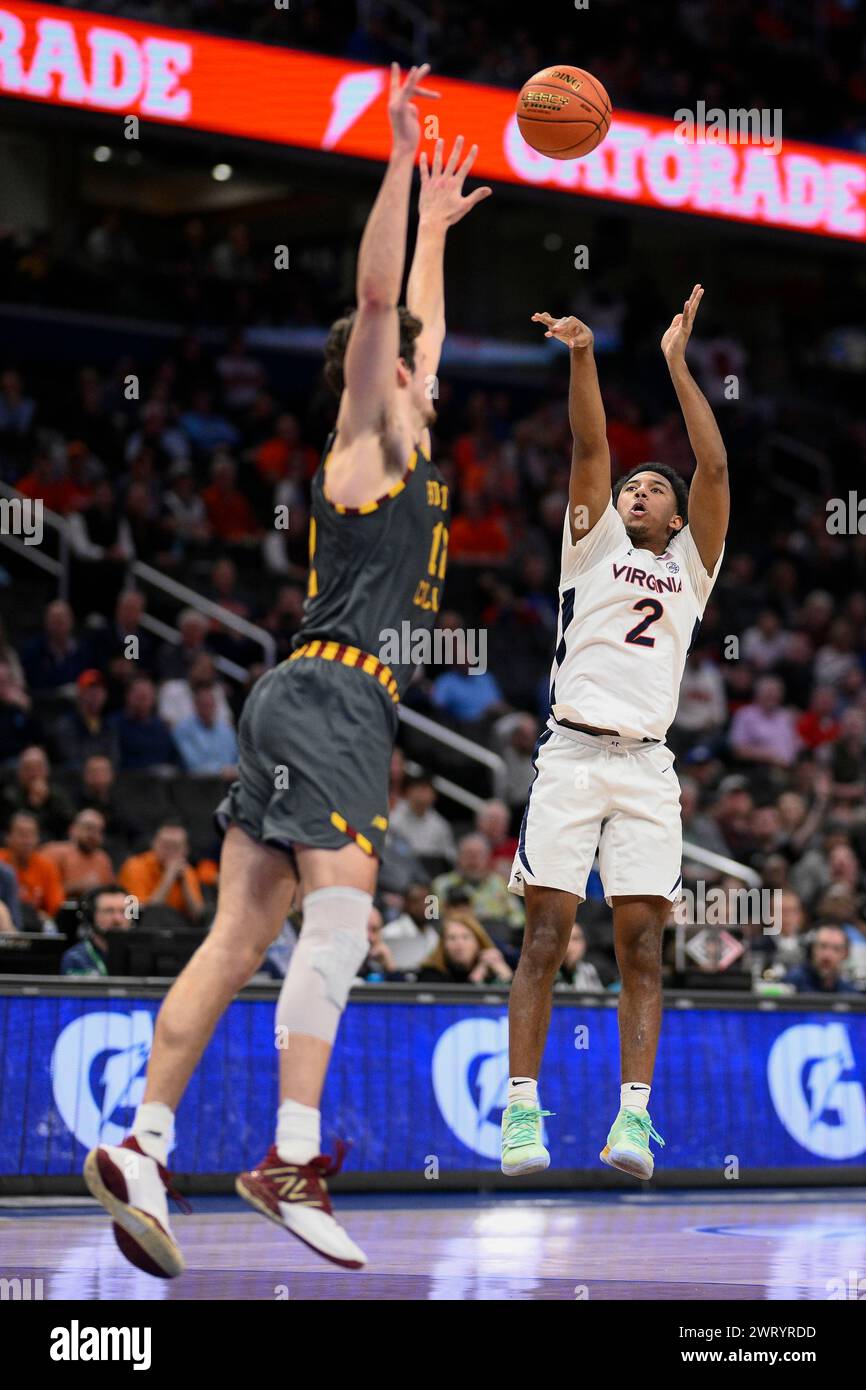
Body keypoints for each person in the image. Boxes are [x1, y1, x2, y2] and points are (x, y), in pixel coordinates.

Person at [83, 67, 491, 1278]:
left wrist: (433, 215)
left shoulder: (411, 427)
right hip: (334, 697)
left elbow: (416, 310)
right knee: (348, 915)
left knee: (235, 933)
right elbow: (381, 301)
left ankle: (145, 1143)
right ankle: (290, 1156)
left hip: (295, 694)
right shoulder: (366, 429)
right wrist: (393, 159)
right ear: (384, 370)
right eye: (415, 356)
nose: (429, 362)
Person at [502, 286, 729, 1182]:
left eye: (653, 489)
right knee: (546, 938)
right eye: (632, 485)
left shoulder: (691, 567)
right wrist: (584, 354)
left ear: (675, 521)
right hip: (570, 754)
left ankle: (633, 1122)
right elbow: (590, 444)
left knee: (641, 943)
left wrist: (677, 364)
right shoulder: (589, 546)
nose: (638, 489)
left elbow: (712, 470)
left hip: (645, 767)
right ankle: (523, 1113)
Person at [118, 823, 204, 925]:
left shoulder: (187, 871)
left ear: (186, 850)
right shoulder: (135, 866)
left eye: (176, 847)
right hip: (143, 928)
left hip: (178, 928)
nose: (170, 851)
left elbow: (198, 916)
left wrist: (183, 883)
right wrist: (169, 877)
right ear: (154, 844)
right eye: (166, 846)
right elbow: (141, 914)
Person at [0, 811, 64, 925]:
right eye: (22, 834)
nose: (27, 841)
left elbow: (55, 907)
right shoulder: (2, 867)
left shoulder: (47, 867)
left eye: (31, 835)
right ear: (7, 837)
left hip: (36, 926)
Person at [417, 906, 512, 984]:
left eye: (465, 937)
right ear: (443, 944)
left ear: (478, 942)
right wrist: (478, 974)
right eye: (452, 938)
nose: (459, 943)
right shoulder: (430, 974)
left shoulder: (492, 968)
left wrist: (506, 975)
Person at [60, 884, 132, 976]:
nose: (117, 919)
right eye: (109, 911)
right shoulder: (76, 958)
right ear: (91, 917)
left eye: (123, 911)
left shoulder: (142, 957)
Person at [387, 773, 456, 865]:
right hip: (399, 865)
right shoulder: (394, 818)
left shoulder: (440, 825)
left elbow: (449, 855)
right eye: (419, 789)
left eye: (426, 790)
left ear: (434, 796)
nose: (422, 794)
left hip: (430, 869)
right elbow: (386, 846)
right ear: (408, 791)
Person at [42, 809, 114, 895]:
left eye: (99, 831)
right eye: (89, 828)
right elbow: (41, 892)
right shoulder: (53, 852)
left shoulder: (103, 859)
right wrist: (75, 886)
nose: (94, 835)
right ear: (72, 829)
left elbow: (112, 894)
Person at [784, 924, 861, 995]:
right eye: (823, 946)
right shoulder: (794, 980)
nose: (827, 955)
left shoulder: (848, 990)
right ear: (812, 949)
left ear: (845, 954)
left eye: (836, 949)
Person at [382, 880, 440, 971]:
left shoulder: (433, 933)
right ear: (406, 904)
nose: (424, 906)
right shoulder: (391, 932)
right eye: (417, 901)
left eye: (428, 902)